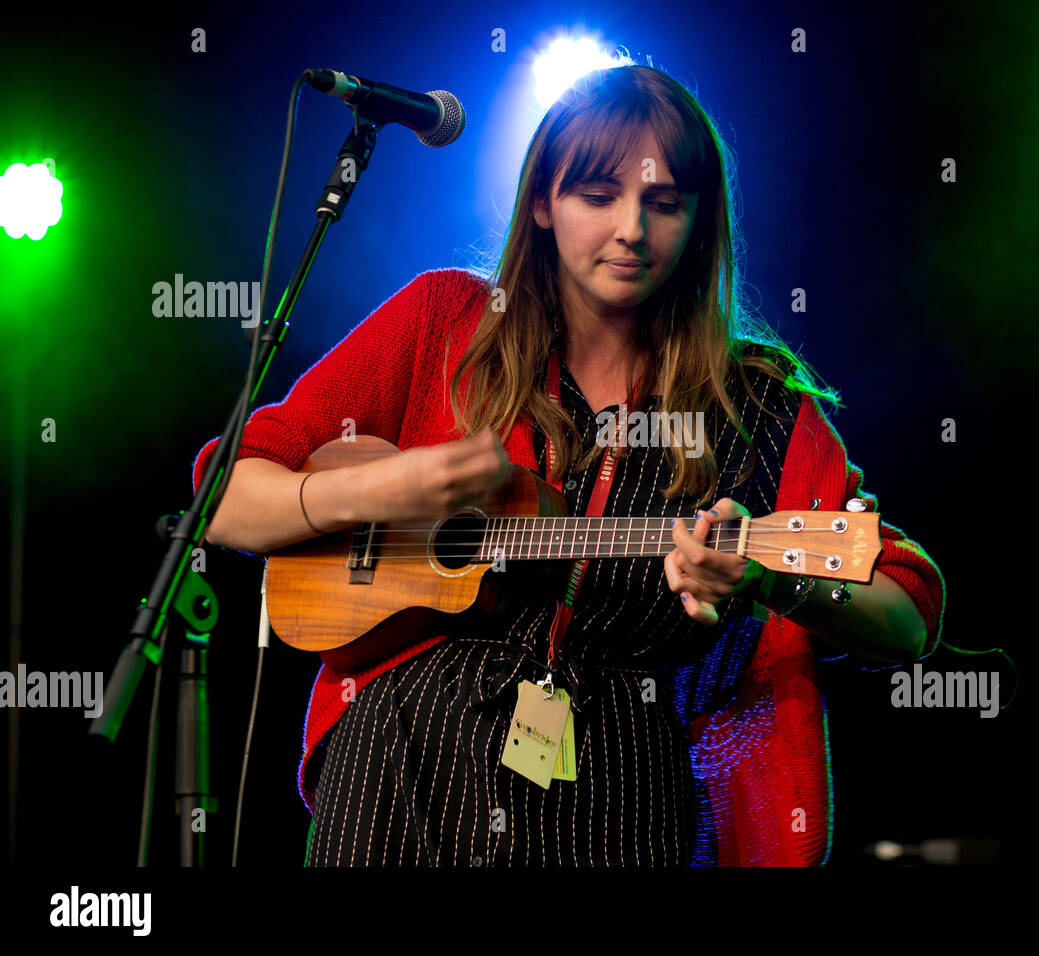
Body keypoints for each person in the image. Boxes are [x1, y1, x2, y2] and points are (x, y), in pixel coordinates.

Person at [193, 64, 946, 867]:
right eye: (598, 195)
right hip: (396, 767)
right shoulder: (444, 320)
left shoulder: (756, 407)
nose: (632, 229)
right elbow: (225, 495)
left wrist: (770, 579)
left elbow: (908, 610)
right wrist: (392, 484)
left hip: (618, 794)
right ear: (543, 203)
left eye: (664, 204)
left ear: (699, 220)